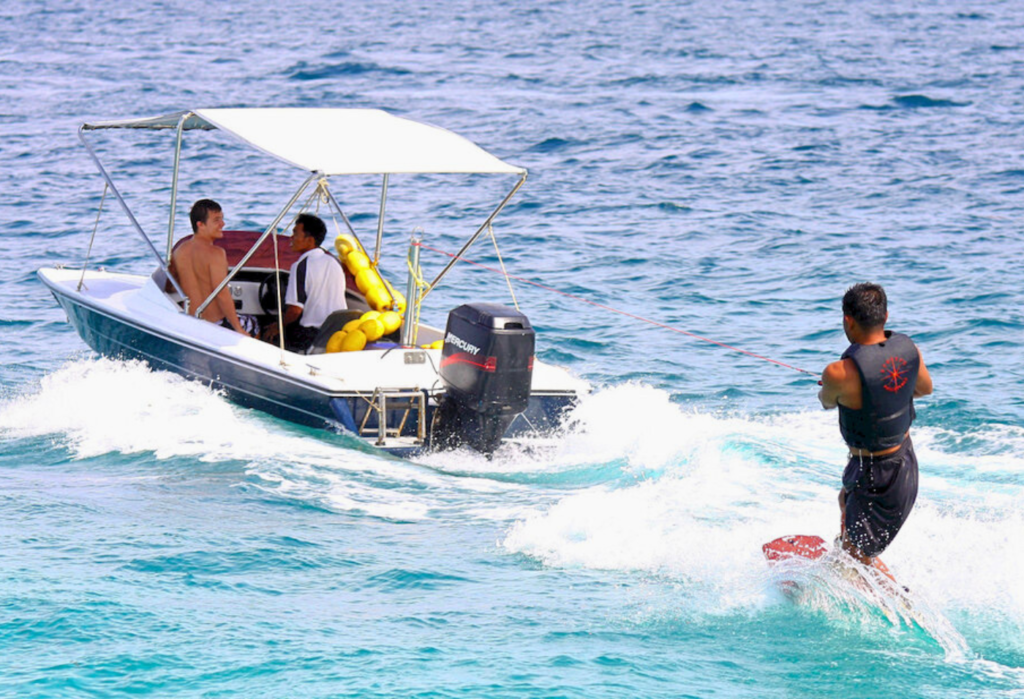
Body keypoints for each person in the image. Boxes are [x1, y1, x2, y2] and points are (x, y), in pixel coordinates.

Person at [817, 282, 933, 576]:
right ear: (886, 316)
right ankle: (849, 562)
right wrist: (883, 393)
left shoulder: (837, 372)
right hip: (900, 462)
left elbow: (827, 402)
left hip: (880, 478)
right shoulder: (910, 350)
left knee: (855, 557)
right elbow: (923, 388)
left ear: (848, 320)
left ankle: (899, 601)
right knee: (844, 501)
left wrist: (835, 388)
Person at [262, 213, 347, 353]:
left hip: (311, 335)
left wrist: (277, 327)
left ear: (309, 240)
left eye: (295, 233)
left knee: (266, 329)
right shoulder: (334, 262)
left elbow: (295, 311)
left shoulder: (301, 266)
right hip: (336, 329)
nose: (291, 237)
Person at [169, 199, 252, 336]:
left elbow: (170, 286)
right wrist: (238, 329)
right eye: (216, 220)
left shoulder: (179, 251)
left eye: (222, 219)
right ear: (200, 225)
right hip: (216, 324)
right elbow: (221, 293)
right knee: (254, 323)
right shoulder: (216, 254)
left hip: (192, 323)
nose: (223, 224)